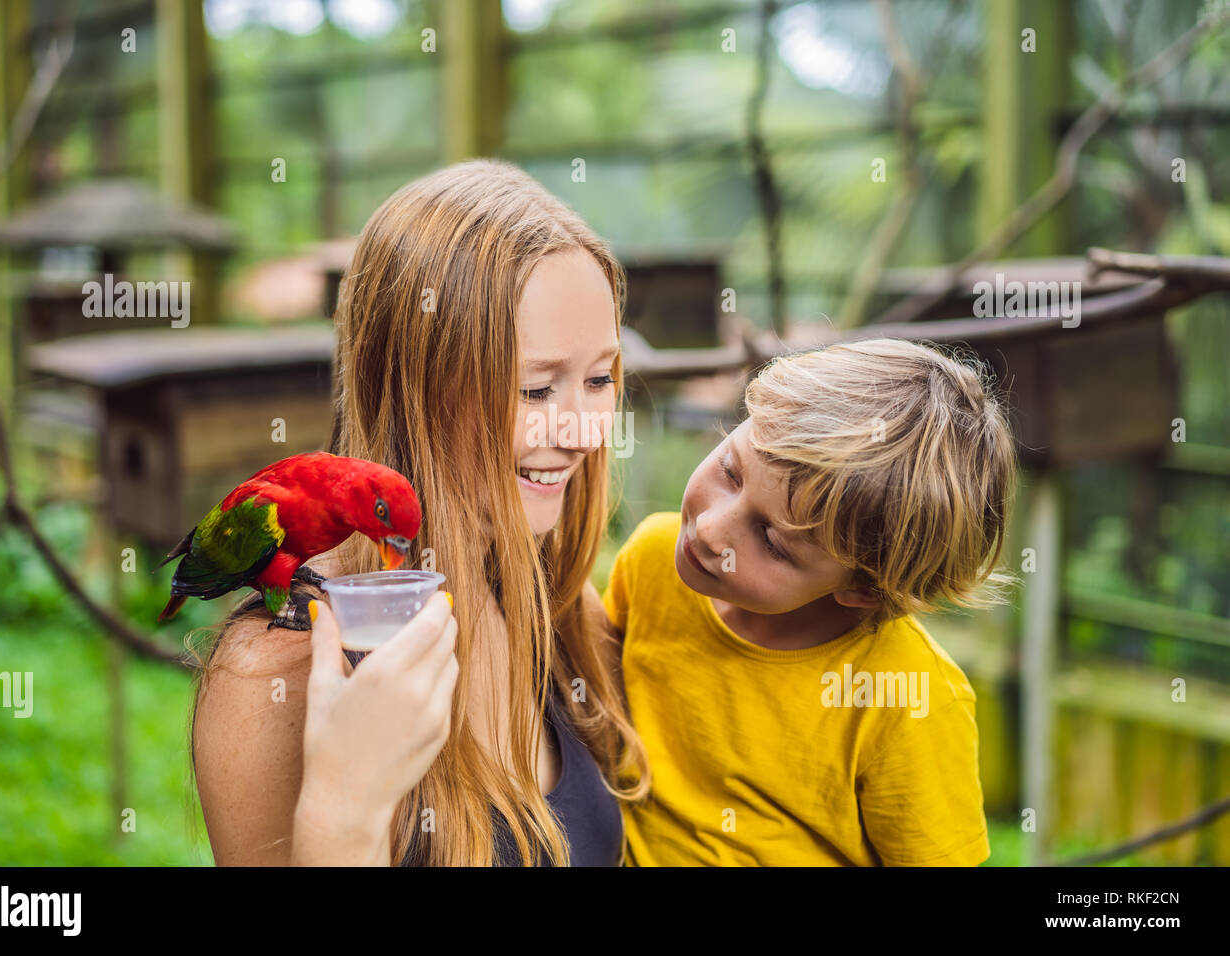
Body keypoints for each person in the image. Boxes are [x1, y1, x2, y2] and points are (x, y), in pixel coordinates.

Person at [190, 159, 649, 866]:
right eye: (535, 390)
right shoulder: (278, 674)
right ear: (414, 392)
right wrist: (345, 810)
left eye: (597, 379)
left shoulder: (559, 605)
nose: (586, 431)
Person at [602, 338, 1018, 865]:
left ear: (863, 589)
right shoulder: (652, 563)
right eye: (731, 471)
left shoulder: (908, 696)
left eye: (771, 541)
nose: (708, 529)